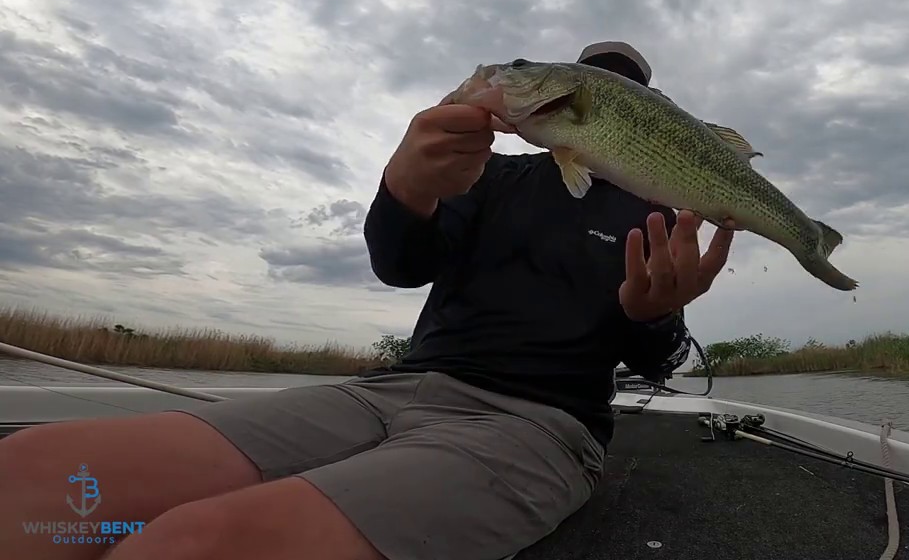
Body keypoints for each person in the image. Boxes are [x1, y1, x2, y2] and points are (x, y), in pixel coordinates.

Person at [0, 40, 736, 560]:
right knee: (33, 470)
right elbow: (400, 263)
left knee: (194, 545)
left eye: (626, 90)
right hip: (384, 392)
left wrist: (653, 316)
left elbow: (662, 356)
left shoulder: (665, 211)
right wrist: (406, 188)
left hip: (539, 426)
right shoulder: (490, 174)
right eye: (591, 80)